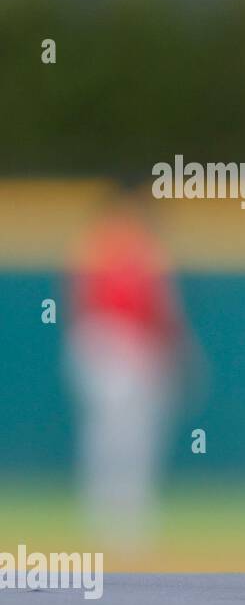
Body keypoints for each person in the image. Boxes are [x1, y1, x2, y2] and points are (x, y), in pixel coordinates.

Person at [66, 190, 187, 548]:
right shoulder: (123, 246)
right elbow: (161, 306)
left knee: (125, 436)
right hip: (115, 341)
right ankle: (116, 521)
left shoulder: (99, 243)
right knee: (120, 436)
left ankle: (121, 519)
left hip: (117, 342)